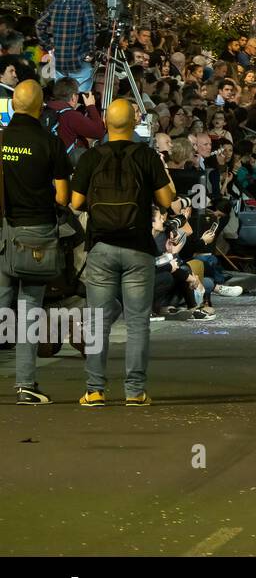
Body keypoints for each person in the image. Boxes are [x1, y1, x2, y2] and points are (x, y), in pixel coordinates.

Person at [70, 98, 176, 407]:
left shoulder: (91, 157)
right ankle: (135, 391)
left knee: (98, 322)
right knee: (138, 321)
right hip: (137, 248)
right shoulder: (145, 156)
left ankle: (94, 390)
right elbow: (166, 200)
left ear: (105, 123)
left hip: (101, 247)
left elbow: (76, 203)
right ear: (132, 124)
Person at [0, 80, 73, 404]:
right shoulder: (50, 143)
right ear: (40, 105)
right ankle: (26, 384)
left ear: (14, 104)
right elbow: (62, 195)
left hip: (3, 232)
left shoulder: (1, 139)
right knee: (29, 310)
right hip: (37, 234)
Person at [36, 0, 97, 93]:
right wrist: (90, 52)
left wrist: (49, 46)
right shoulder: (86, 4)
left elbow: (39, 25)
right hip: (79, 61)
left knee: (62, 95)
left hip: (59, 61)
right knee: (80, 97)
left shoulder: (56, 4)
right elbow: (90, 32)